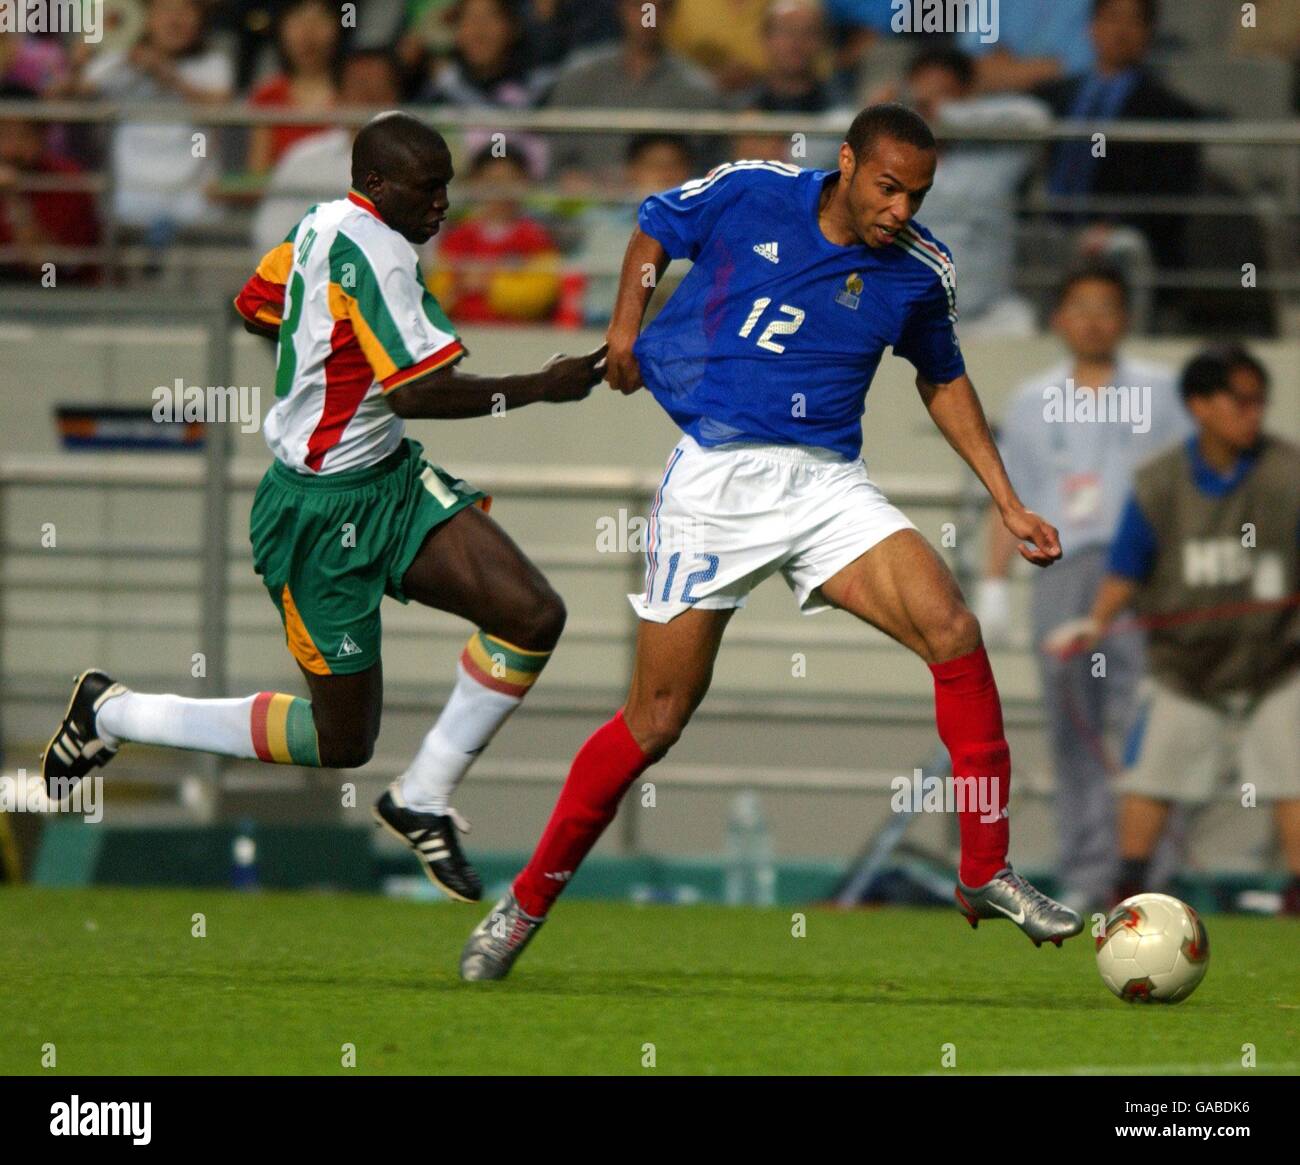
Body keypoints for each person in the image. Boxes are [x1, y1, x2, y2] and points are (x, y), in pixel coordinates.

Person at [460, 104, 1087, 981]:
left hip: (827, 484)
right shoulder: (752, 190)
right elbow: (652, 231)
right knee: (656, 720)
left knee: (954, 629)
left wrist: (1009, 501)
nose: (902, 209)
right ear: (846, 163)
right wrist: (624, 329)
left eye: (919, 193)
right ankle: (524, 904)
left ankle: (985, 868)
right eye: (889, 187)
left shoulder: (919, 270)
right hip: (717, 479)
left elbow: (942, 378)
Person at [41, 113, 607, 905]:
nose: (445, 202)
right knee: (339, 739)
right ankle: (116, 711)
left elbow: (253, 305)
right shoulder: (378, 253)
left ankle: (422, 794)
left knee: (532, 613)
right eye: (429, 187)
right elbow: (418, 392)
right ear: (378, 185)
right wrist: (542, 386)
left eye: (449, 183)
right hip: (315, 516)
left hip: (389, 483)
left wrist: (323, 351)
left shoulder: (320, 224)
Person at [1049, 347, 1300, 915]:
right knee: (1152, 775)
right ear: (1200, 406)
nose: (1254, 412)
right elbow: (1127, 568)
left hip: (1278, 661)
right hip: (1185, 668)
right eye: (1241, 400)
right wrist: (1094, 624)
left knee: (1294, 770)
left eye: (1261, 401)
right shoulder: (1159, 483)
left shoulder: (1289, 474)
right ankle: (1128, 888)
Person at [976, 263, 1190, 913]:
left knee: (1148, 723)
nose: (1094, 319)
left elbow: (1182, 487)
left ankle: (1151, 871)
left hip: (1138, 571)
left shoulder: (1160, 390)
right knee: (1073, 728)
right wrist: (992, 581)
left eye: (1107, 307)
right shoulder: (1032, 398)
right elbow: (1005, 496)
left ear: (1124, 319)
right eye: (1081, 307)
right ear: (1060, 320)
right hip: (1057, 566)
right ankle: (1086, 868)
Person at [1036, 0, 1202, 281]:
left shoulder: (1172, 112)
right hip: (1045, 237)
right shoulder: (1050, 96)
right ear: (1092, 27)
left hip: (1122, 253)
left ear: (1149, 32)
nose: (1121, 31)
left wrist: (1115, 226)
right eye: (1112, 18)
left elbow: (1169, 198)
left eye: (1133, 22)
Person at [901, 47, 1048, 337]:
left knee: (1023, 324)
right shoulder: (888, 162)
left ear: (968, 98)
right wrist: (878, 114)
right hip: (912, 315)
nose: (927, 108)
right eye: (921, 99)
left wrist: (944, 113)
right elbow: (806, 159)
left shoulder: (998, 157)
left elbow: (1036, 119)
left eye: (944, 94)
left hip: (989, 316)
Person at [67, 0, 234, 235]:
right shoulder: (118, 60)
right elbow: (71, 98)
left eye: (186, 11)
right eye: (166, 11)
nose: (175, 21)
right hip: (129, 203)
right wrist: (77, 65)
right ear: (145, 18)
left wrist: (166, 75)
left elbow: (221, 107)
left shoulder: (213, 63)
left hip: (193, 207)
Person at [545, 0, 717, 185]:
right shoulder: (580, 76)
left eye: (657, 8)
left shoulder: (697, 89)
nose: (648, 19)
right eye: (639, 6)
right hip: (585, 204)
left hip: (664, 204)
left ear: (670, 13)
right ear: (621, 8)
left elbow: (705, 169)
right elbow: (556, 159)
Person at [251, 50, 403, 254]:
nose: (368, 97)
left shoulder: (418, 163)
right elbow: (270, 236)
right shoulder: (302, 159)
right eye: (359, 87)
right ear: (339, 97)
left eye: (378, 88)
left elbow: (426, 249)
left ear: (395, 98)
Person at [428, 146, 562, 324]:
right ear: (475, 184)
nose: (501, 190)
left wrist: (488, 284)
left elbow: (539, 295)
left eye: (510, 180)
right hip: (460, 333)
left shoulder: (536, 238)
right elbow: (436, 292)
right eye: (492, 181)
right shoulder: (457, 237)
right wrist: (458, 288)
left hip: (519, 338)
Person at [0, 87, 101, 284]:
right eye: (3, 135)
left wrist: (15, 200)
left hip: (54, 296)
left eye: (23, 135)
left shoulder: (67, 182)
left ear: (43, 135)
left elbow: (48, 272)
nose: (12, 149)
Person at [245, 0, 343, 176]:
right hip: (284, 199)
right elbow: (257, 175)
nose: (308, 33)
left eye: (319, 20)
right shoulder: (268, 95)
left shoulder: (352, 95)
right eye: (298, 21)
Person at [421, 0, 553, 108]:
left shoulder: (540, 87)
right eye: (469, 19)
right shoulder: (438, 91)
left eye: (489, 18)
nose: (478, 31)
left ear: (513, 27)